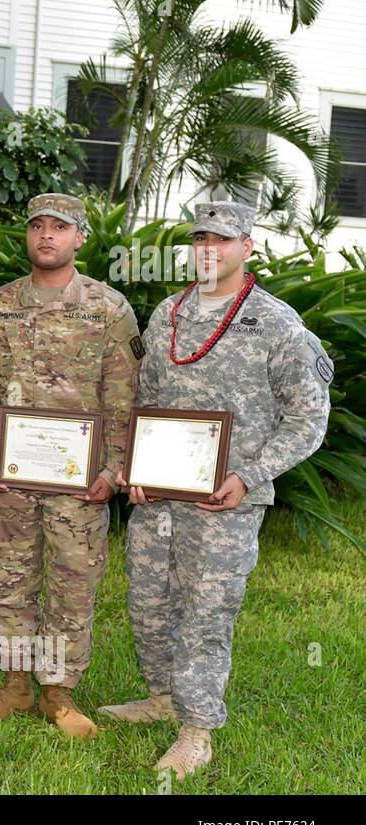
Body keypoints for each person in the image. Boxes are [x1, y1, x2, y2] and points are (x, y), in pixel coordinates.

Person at [102, 201, 332, 779]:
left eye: (222, 240)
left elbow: (308, 417)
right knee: (149, 601)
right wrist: (135, 465)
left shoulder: (276, 323)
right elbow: (144, 400)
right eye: (200, 238)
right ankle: (161, 698)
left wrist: (248, 476)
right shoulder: (167, 315)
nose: (209, 249)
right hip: (159, 494)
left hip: (225, 499)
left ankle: (197, 727)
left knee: (206, 611)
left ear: (247, 247)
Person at [0, 193, 142, 738]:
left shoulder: (108, 308)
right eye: (37, 226)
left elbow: (124, 397)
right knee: (9, 579)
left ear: (79, 238)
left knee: (73, 583)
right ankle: (16, 685)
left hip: (80, 480)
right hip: (11, 478)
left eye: (59, 228)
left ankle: (58, 692)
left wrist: (113, 471)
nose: (47, 236)